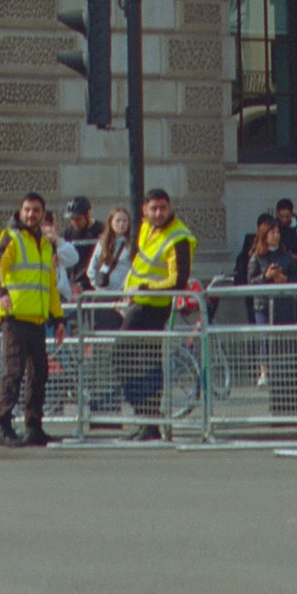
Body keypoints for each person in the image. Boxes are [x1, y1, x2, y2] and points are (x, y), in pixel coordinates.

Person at [119, 187, 196, 439]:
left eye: (163, 207)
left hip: (154, 305)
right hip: (138, 303)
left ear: (170, 206)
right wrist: (126, 292)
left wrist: (145, 287)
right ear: (144, 210)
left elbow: (178, 280)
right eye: (154, 208)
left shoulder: (178, 236)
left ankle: (149, 419)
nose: (159, 213)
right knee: (141, 362)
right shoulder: (145, 227)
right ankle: (147, 420)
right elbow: (140, 264)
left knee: (125, 356)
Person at [0, 190, 62, 450]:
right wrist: (1, 294)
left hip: (37, 319)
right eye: (27, 210)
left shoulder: (45, 244)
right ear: (20, 212)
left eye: (36, 210)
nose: (31, 214)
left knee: (39, 374)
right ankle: (3, 425)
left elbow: (50, 285)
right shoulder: (11, 237)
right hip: (15, 316)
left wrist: (59, 316)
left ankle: (33, 426)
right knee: (13, 372)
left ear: (43, 214)